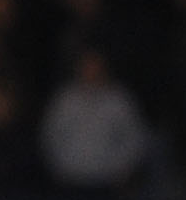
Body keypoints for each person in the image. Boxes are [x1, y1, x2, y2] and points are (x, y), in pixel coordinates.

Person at [39, 50, 149, 191]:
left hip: (108, 181)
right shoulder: (64, 99)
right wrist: (57, 166)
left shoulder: (119, 100)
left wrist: (124, 169)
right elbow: (49, 136)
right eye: (87, 66)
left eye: (95, 65)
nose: (91, 70)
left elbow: (134, 138)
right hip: (69, 180)